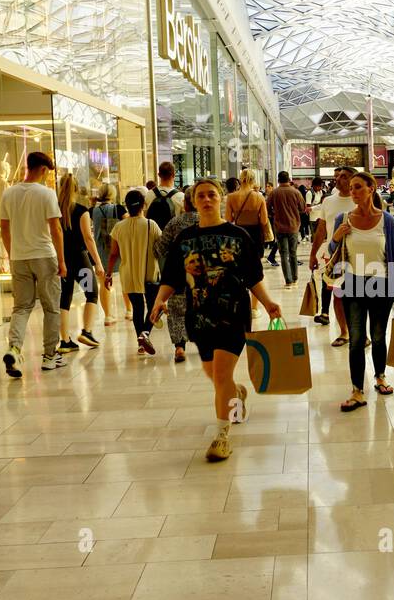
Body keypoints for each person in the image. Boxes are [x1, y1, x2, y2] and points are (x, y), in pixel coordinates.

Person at [150, 178, 282, 462]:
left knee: (221, 374)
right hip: (198, 316)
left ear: (221, 198)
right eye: (201, 196)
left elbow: (253, 276)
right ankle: (237, 395)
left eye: (212, 195)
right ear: (194, 202)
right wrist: (160, 299)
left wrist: (269, 303)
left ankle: (222, 435)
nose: (207, 200)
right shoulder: (184, 239)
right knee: (215, 376)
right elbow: (172, 276)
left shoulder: (238, 236)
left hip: (234, 314)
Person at [328, 170, 394, 411]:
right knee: (356, 339)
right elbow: (333, 251)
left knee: (379, 335)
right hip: (353, 284)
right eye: (351, 189)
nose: (354, 192)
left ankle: (380, 376)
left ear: (371, 188)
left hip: (380, 284)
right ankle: (356, 390)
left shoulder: (387, 221)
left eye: (358, 187)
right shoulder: (344, 218)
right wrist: (336, 236)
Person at [0, 151, 65, 377]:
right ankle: (49, 355)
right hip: (44, 255)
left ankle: (14, 348)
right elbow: (55, 229)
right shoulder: (46, 194)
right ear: (43, 170)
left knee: (21, 307)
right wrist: (62, 261)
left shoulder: (9, 193)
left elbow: (4, 228)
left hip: (19, 258)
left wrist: (12, 253)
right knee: (51, 306)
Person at [105, 188, 162, 356]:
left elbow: (114, 254)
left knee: (137, 308)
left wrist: (108, 274)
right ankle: (145, 334)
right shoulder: (151, 225)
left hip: (128, 274)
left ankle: (141, 343)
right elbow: (161, 247)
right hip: (149, 273)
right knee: (153, 307)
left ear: (127, 206)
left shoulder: (118, 227)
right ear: (144, 205)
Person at [309, 166, 355, 345]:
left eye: (344, 177)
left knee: (358, 296)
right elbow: (321, 229)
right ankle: (344, 332)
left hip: (358, 255)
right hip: (334, 255)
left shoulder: (361, 200)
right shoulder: (328, 201)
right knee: (338, 294)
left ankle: (359, 332)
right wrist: (313, 255)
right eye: (338, 176)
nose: (338, 179)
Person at [56, 173, 102, 352]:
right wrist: (98, 263)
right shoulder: (82, 211)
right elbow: (88, 239)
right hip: (80, 259)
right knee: (92, 293)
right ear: (76, 189)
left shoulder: (54, 210)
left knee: (64, 298)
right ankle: (87, 331)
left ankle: (65, 341)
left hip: (62, 260)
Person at [153, 201, 198, 363]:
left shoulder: (175, 222)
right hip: (203, 276)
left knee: (177, 312)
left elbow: (161, 247)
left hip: (179, 273)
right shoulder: (208, 220)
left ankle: (180, 347)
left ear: (185, 204)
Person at [225, 168, 271, 311]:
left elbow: (228, 218)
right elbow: (264, 220)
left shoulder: (231, 197)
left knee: (239, 269)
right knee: (255, 270)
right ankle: (254, 307)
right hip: (255, 235)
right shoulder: (259, 197)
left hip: (238, 233)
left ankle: (239, 303)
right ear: (253, 180)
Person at [90, 183, 125, 325]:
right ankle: (129, 311)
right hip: (118, 248)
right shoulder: (118, 208)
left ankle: (108, 316)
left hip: (100, 250)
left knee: (104, 283)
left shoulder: (93, 211)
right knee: (125, 280)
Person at [266, 170, 305, 287]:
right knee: (293, 253)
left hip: (279, 227)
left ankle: (288, 280)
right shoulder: (296, 192)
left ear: (278, 180)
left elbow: (267, 209)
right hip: (293, 226)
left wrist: (275, 213)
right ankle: (295, 278)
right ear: (288, 179)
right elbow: (303, 208)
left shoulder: (274, 193)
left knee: (283, 253)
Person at [146, 161, 179, 231]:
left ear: (159, 175)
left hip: (153, 235)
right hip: (173, 236)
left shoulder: (149, 194)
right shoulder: (180, 196)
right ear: (174, 175)